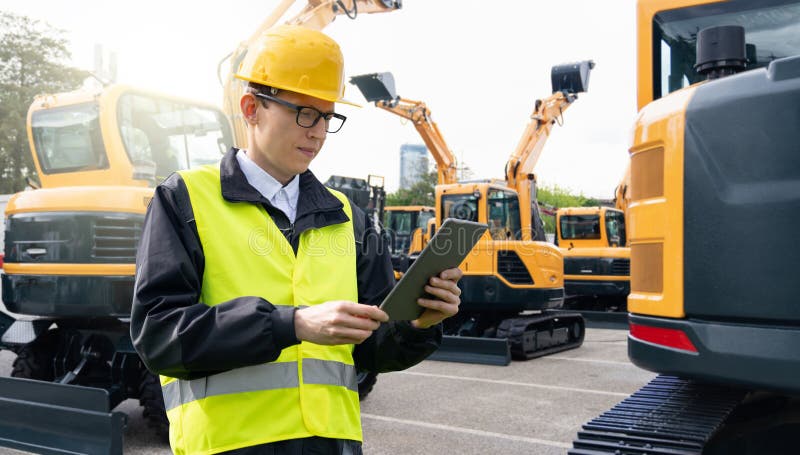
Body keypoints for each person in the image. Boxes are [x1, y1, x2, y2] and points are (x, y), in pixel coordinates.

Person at [130, 24, 463, 455]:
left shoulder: (350, 218)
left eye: (328, 117)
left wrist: (421, 323)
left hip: (332, 445)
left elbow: (375, 350)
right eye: (305, 113)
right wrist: (292, 324)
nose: (318, 132)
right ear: (251, 108)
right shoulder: (184, 200)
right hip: (228, 446)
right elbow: (159, 335)